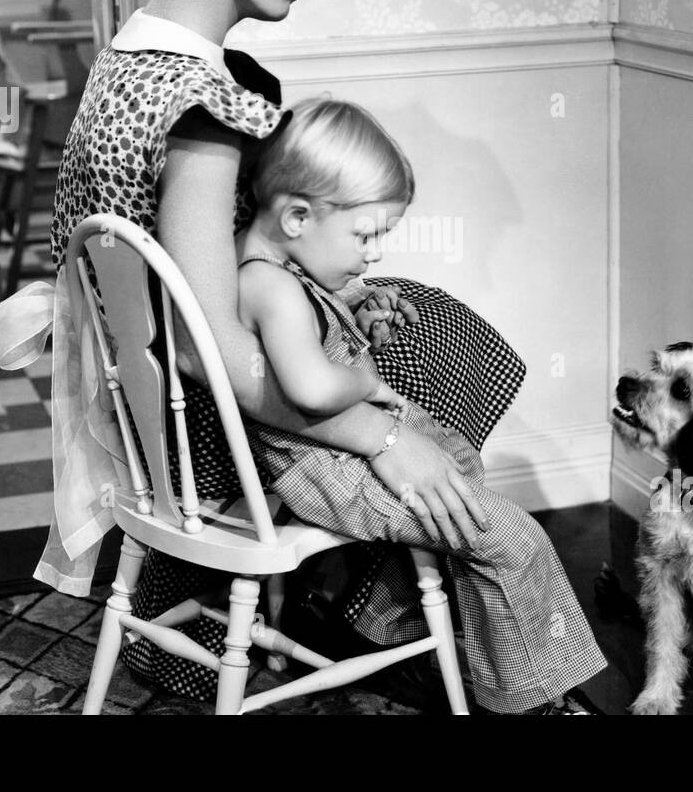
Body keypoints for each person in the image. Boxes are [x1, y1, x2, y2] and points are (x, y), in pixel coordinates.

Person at [45, 0, 603, 710]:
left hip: (146, 418)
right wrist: (389, 437)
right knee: (446, 340)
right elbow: (207, 355)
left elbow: (210, 285)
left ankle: (375, 585)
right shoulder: (202, 105)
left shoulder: (126, 63)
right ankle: (369, 592)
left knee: (398, 303)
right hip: (203, 439)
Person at [234, 97, 605, 712]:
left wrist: (349, 305)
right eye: (364, 235)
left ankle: (386, 624)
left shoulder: (272, 271)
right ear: (297, 216)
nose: (374, 252)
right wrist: (367, 381)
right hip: (331, 471)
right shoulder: (270, 286)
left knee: (462, 493)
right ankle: (536, 701)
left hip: (335, 462)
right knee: (513, 540)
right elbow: (312, 390)